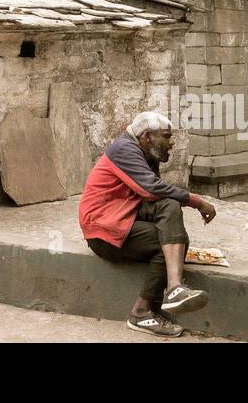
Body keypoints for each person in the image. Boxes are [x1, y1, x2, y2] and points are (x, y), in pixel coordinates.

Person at [78, 111, 217, 337]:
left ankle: (174, 288)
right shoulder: (124, 149)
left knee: (172, 221)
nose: (171, 142)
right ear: (148, 136)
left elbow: (156, 197)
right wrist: (196, 201)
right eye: (166, 136)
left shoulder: (145, 153)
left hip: (125, 216)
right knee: (168, 244)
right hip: (102, 229)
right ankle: (141, 313)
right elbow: (150, 189)